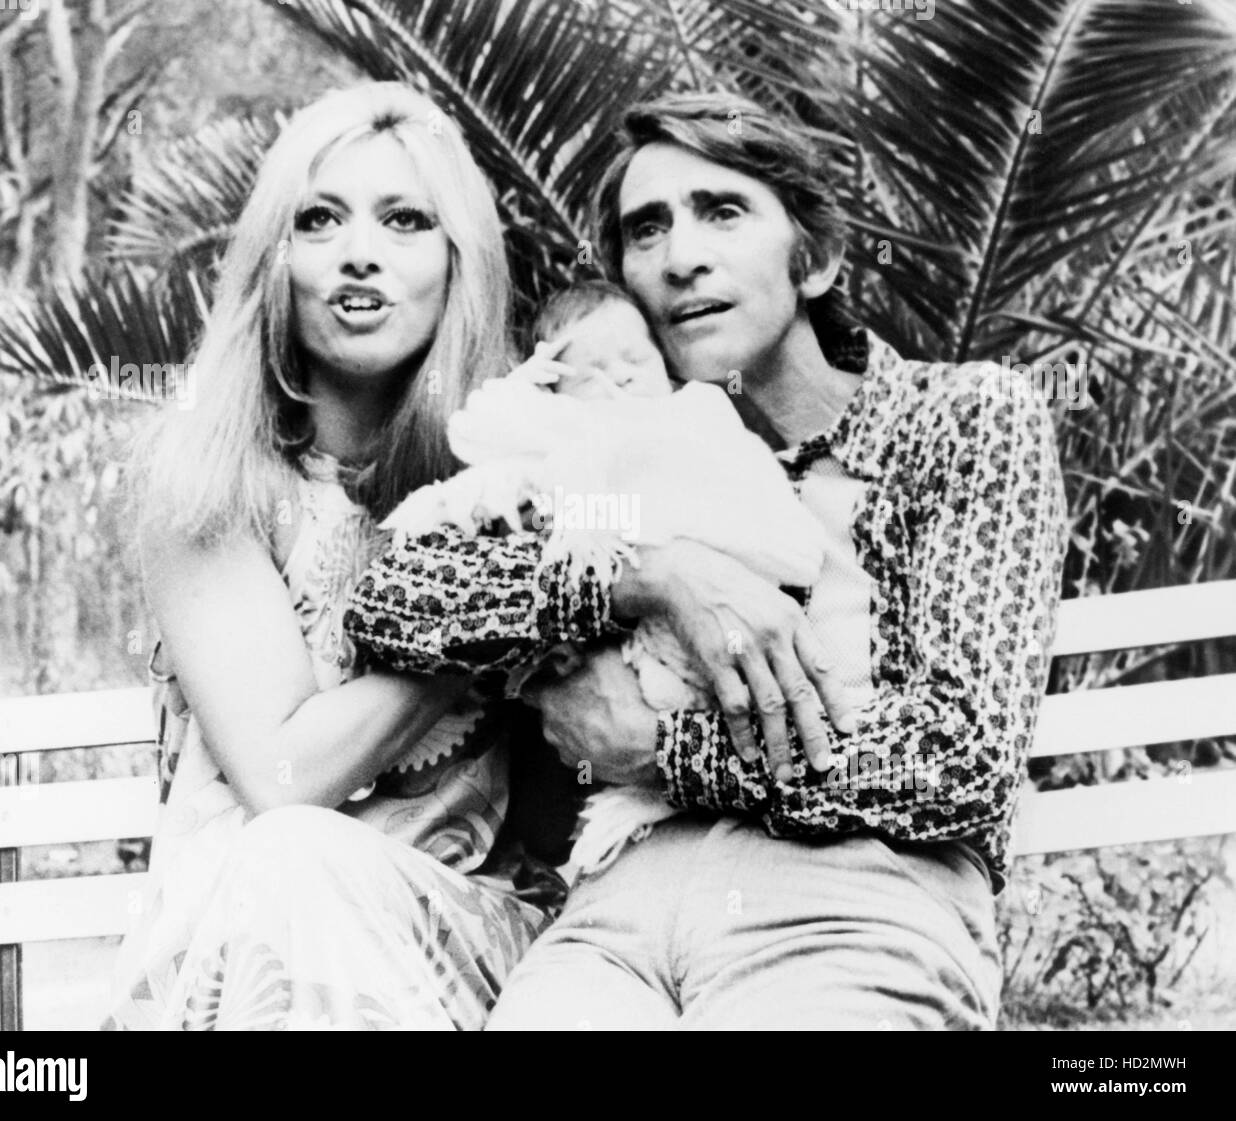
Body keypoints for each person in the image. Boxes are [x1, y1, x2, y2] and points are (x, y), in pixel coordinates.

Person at [345, 92, 1070, 1029]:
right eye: (646, 230)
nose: (681, 255)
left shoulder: (964, 418)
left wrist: (661, 748)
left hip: (850, 902)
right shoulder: (610, 452)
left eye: (721, 211)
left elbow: (958, 762)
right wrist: (650, 575)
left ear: (816, 260)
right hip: (617, 913)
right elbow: (393, 602)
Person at [101, 82, 556, 1031]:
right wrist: (497, 603)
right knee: (292, 862)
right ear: (278, 259)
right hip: (242, 944)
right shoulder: (208, 482)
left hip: (463, 943)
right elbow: (281, 778)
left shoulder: (528, 468)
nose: (360, 253)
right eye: (319, 219)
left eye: (405, 220)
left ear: (456, 262)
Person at [354, 278, 827, 881]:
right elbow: (388, 602)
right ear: (552, 391)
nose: (621, 379)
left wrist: (659, 543)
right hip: (611, 683)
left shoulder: (701, 419)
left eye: (636, 359)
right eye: (591, 372)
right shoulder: (558, 449)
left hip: (731, 644)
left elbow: (762, 522)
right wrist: (643, 566)